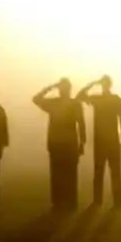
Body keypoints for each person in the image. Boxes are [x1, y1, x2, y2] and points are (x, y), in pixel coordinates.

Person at [33, 78, 86, 211]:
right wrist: (82, 143)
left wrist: (50, 87)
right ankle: (67, 202)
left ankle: (62, 202)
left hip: (61, 142)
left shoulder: (57, 103)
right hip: (64, 142)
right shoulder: (72, 104)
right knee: (66, 173)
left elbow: (37, 99)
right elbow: (81, 124)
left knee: (62, 173)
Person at [78, 75, 121, 208]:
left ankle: (99, 200)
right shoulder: (115, 100)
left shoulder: (98, 99)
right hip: (110, 139)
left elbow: (80, 95)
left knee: (100, 171)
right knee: (112, 172)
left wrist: (93, 83)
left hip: (103, 140)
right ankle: (116, 202)